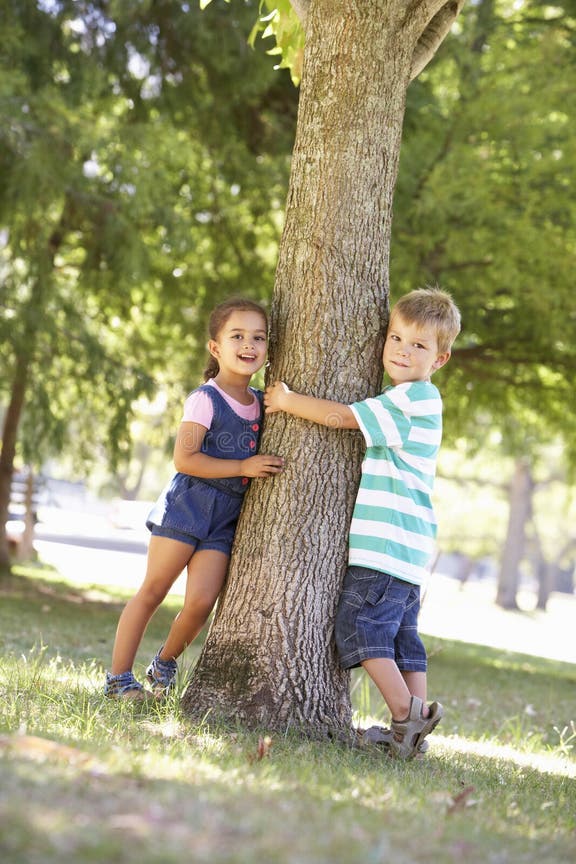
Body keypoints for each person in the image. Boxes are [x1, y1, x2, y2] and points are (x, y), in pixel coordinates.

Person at [264, 287, 461, 758]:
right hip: (410, 548)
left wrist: (288, 401)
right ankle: (415, 729)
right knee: (402, 637)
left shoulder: (411, 399)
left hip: (386, 544)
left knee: (361, 625)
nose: (402, 351)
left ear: (440, 358)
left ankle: (404, 718)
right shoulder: (416, 399)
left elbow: (341, 417)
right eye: (396, 338)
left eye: (419, 345)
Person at [105, 297, 284, 699]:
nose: (249, 344)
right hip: (187, 507)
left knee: (202, 601)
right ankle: (118, 680)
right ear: (216, 347)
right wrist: (243, 467)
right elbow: (185, 459)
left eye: (258, 337)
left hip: (225, 518)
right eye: (237, 335)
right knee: (153, 590)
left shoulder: (263, 402)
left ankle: (163, 663)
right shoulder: (206, 398)